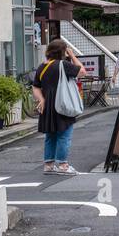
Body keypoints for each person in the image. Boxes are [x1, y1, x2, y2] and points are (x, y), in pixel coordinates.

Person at [33, 37, 83, 175]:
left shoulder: (41, 67)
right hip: (62, 105)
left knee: (50, 136)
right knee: (64, 135)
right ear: (63, 51)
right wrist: (72, 55)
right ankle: (63, 165)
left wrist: (42, 99)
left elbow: (35, 87)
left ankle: (48, 165)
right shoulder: (63, 65)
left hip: (47, 106)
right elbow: (83, 72)